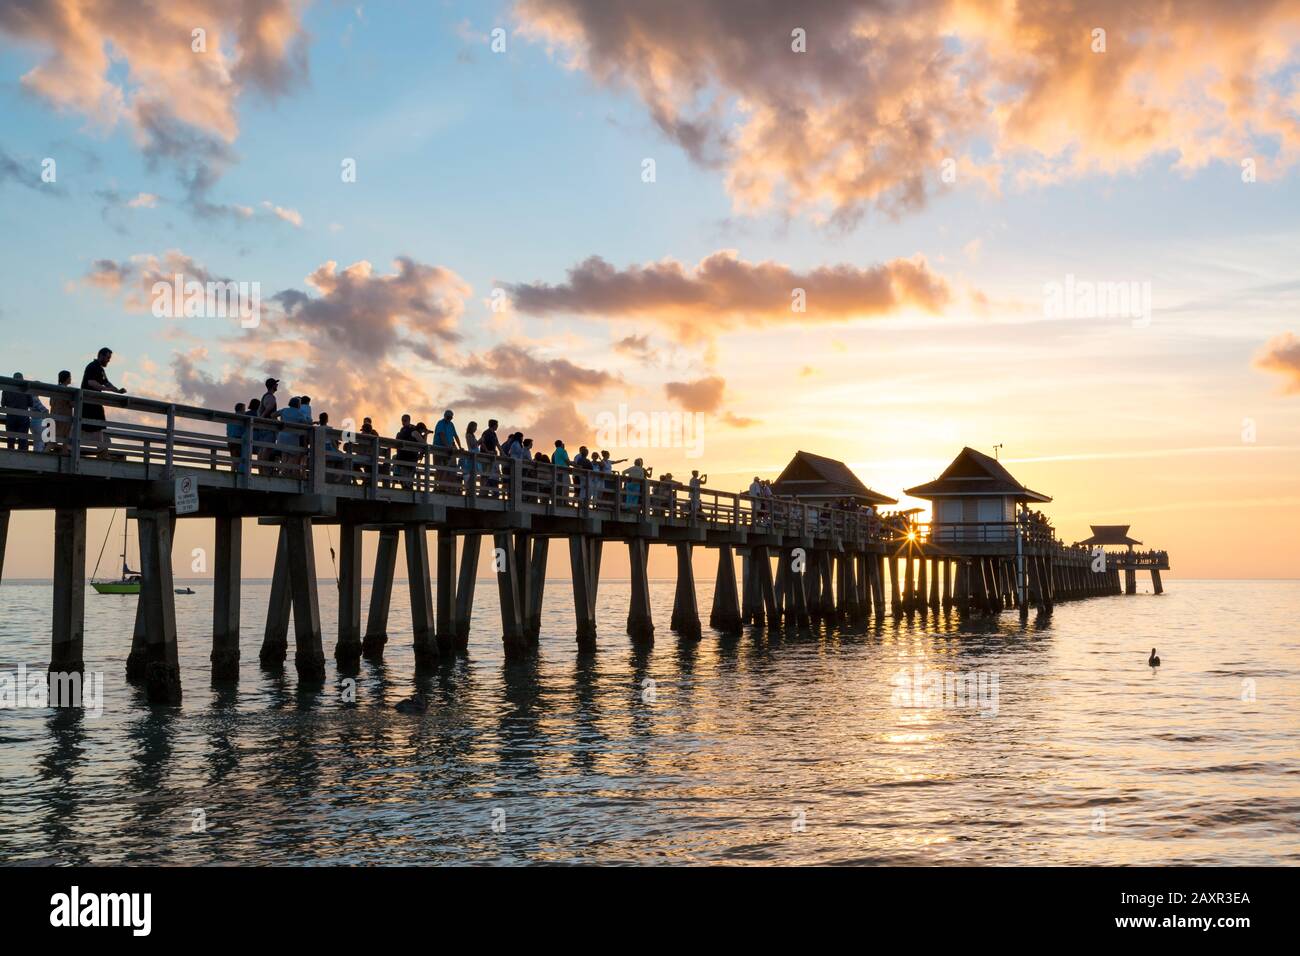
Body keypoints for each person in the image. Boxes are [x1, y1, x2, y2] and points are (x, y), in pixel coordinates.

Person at [81, 347, 126, 454]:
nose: (109, 360)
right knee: (85, 424)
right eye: (107, 358)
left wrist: (117, 391)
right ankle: (100, 449)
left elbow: (106, 382)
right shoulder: (92, 366)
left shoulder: (100, 369)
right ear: (101, 356)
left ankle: (100, 449)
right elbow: (91, 382)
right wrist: (107, 389)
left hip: (94, 401)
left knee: (98, 425)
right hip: (88, 401)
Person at [2, 372, 34, 451]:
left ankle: (10, 455)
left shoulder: (6, 389)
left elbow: (3, 404)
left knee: (10, 439)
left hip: (11, 417)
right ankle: (22, 455)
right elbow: (31, 403)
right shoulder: (26, 389)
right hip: (23, 417)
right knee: (22, 439)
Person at [432, 409, 461, 489]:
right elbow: (442, 435)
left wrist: (460, 447)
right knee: (439, 468)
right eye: (448, 417)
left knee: (447, 469)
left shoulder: (451, 424)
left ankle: (443, 487)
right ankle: (436, 486)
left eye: (450, 417)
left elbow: (455, 436)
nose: (449, 418)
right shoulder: (440, 423)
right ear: (445, 416)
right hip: (439, 449)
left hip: (448, 450)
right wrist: (448, 446)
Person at [49, 370, 73, 451]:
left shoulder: (55, 389)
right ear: (66, 378)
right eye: (70, 377)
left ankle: (62, 452)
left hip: (54, 416)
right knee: (64, 439)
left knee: (53, 440)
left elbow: (51, 403)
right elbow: (72, 404)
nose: (71, 378)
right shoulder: (67, 390)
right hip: (64, 418)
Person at [226, 401, 247, 467]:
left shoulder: (231, 417)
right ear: (241, 409)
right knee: (238, 460)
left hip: (230, 441)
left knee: (234, 459)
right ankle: (236, 474)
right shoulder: (241, 417)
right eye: (244, 409)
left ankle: (233, 472)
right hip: (237, 440)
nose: (245, 411)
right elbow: (243, 430)